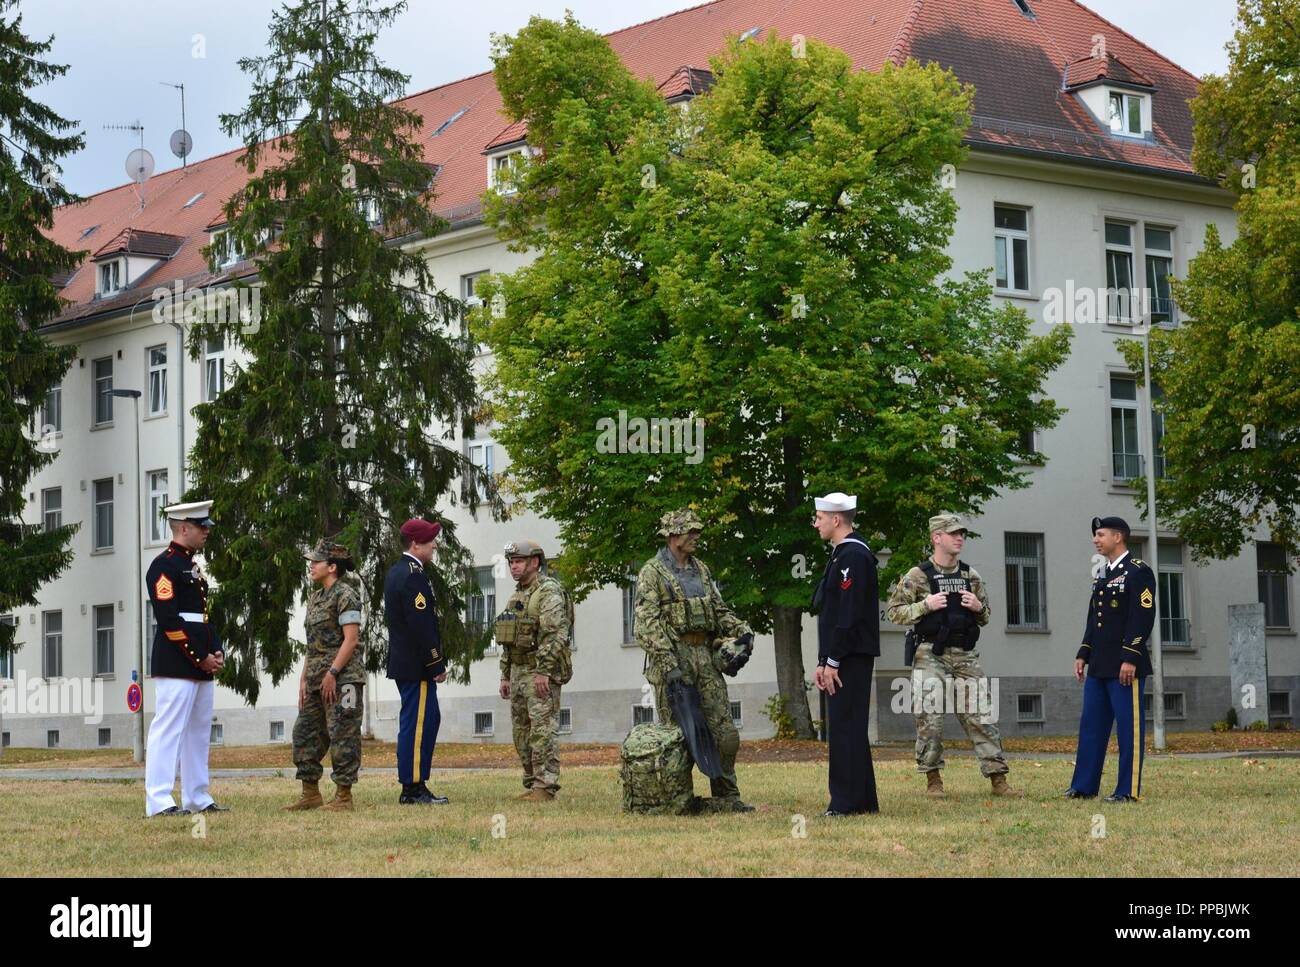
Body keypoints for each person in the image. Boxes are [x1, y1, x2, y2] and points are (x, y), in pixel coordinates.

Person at [886, 513, 1018, 798]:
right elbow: (894, 612)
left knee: (981, 714)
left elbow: (986, 617)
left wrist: (977, 607)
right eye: (953, 533)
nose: (960, 538)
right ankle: (933, 780)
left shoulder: (971, 576)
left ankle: (998, 780)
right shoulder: (918, 575)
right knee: (929, 716)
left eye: (962, 534)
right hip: (929, 652)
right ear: (937, 538)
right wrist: (925, 605)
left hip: (965, 653)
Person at [634, 508, 755, 813]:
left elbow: (718, 609)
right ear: (673, 536)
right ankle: (679, 799)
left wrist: (741, 631)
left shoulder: (701, 570)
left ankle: (727, 795)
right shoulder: (652, 572)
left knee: (725, 733)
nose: (696, 537)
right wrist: (668, 664)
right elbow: (645, 624)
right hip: (672, 661)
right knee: (678, 734)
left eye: (697, 531)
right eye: (690, 532)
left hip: (705, 658)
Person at [143, 500, 228, 817]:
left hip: (199, 664)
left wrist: (216, 649)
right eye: (201, 526)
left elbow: (202, 617)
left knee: (198, 731)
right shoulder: (163, 567)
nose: (207, 531)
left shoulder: (191, 566)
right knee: (168, 730)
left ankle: (197, 796)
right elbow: (169, 621)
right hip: (177, 663)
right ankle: (159, 800)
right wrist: (199, 657)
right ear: (183, 527)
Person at [1066, 516, 1156, 803]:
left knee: (1129, 730)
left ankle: (1126, 790)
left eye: (1101, 534)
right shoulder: (1103, 573)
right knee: (1091, 726)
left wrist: (1131, 656)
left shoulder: (1138, 571)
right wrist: (1083, 652)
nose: (1096, 539)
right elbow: (1095, 619)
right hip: (1100, 665)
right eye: (1095, 534)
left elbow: (1142, 616)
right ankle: (1083, 786)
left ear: (1118, 537)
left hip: (1124, 666)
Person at [811, 492, 879, 816]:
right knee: (847, 727)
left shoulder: (853, 556)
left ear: (836, 519)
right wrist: (823, 660)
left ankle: (846, 803)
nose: (816, 523)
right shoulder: (842, 555)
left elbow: (848, 615)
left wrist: (833, 661)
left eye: (819, 518)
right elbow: (831, 612)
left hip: (850, 657)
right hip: (842, 656)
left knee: (845, 729)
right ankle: (862, 801)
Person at [284, 540, 365, 812]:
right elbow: (312, 643)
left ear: (332, 567)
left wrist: (332, 673)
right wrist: (304, 679)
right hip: (317, 679)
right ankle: (310, 794)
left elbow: (351, 640)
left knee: (343, 734)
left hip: (344, 680)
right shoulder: (316, 597)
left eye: (316, 561)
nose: (311, 565)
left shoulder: (346, 595)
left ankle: (344, 797)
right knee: (304, 732)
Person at [495, 539, 573, 801]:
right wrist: (505, 675)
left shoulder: (548, 592)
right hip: (518, 672)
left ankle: (545, 786)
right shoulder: (517, 595)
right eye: (511, 563)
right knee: (522, 732)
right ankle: (531, 783)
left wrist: (544, 671)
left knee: (542, 730)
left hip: (538, 673)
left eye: (518, 562)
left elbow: (556, 635)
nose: (513, 567)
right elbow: (507, 638)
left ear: (534, 562)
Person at [385, 517, 449, 805]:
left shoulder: (398, 571)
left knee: (425, 719)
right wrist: (435, 662)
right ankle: (412, 788)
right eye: (430, 540)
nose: (434, 544)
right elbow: (421, 624)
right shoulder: (413, 575)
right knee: (418, 723)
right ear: (415, 543)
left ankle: (415, 784)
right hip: (416, 665)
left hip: (408, 663)